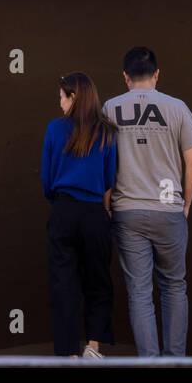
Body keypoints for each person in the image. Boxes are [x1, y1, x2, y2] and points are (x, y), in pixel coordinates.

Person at [103, 47, 192, 356]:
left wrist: (107, 201)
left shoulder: (110, 107)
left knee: (139, 292)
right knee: (174, 286)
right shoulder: (177, 107)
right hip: (168, 207)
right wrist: (184, 204)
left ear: (125, 77)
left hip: (128, 210)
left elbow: (104, 160)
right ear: (157, 74)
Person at [42, 72, 117, 358]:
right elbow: (110, 177)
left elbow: (47, 179)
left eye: (62, 96)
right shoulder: (108, 132)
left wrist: (58, 200)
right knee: (98, 281)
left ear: (73, 97)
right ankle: (94, 346)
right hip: (95, 213)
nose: (59, 102)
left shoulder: (54, 129)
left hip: (63, 211)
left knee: (64, 284)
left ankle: (68, 353)